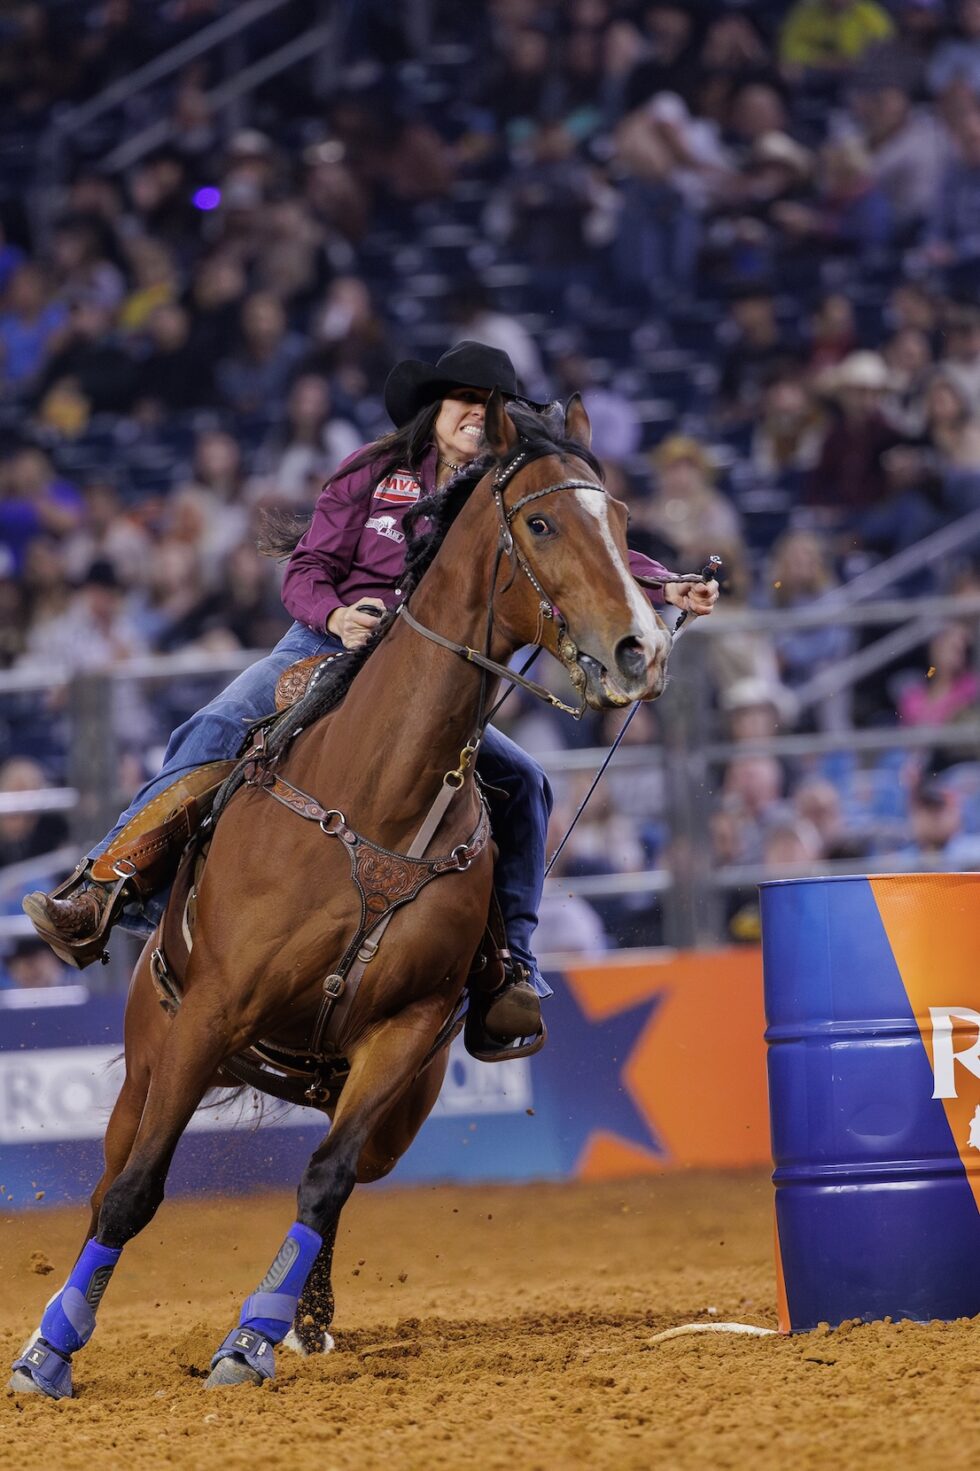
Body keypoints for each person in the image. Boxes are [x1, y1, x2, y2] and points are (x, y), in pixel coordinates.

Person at [23, 342, 719, 1047]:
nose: (477, 416)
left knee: (528, 783)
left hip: (429, 685)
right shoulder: (372, 470)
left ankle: (512, 969)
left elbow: (582, 543)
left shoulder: (503, 489)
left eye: (490, 406)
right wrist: (335, 616)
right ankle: (101, 885)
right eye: (464, 402)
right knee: (219, 721)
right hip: (326, 648)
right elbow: (306, 573)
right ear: (435, 409)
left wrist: (664, 585)